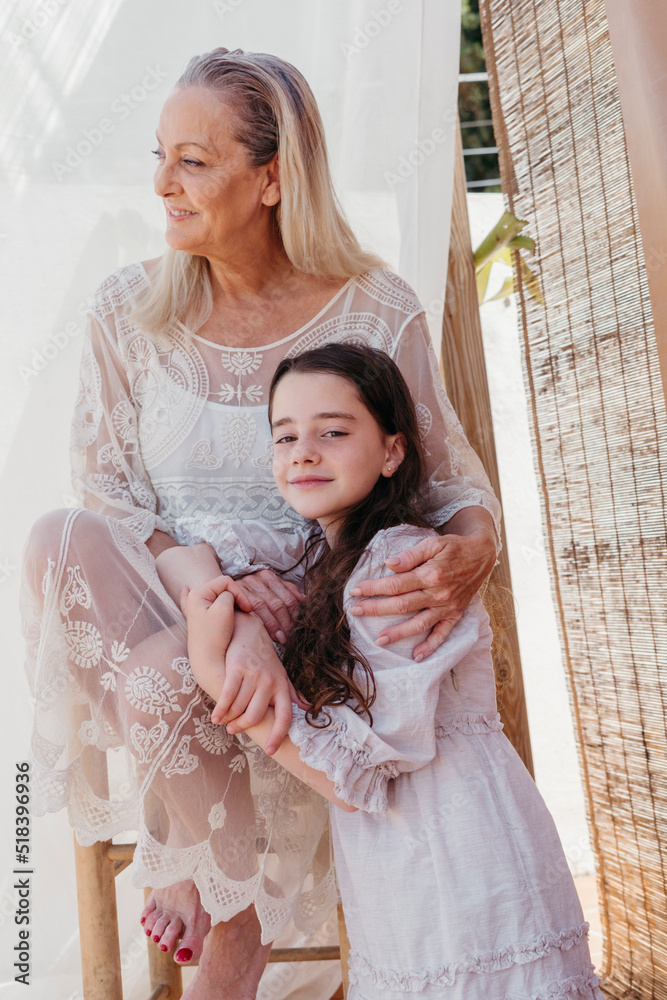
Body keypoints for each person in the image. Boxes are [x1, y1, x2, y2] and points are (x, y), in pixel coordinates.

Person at [21, 48, 501, 1000]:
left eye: (193, 161)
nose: (162, 182)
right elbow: (112, 497)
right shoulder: (128, 311)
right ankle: (231, 903)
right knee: (56, 538)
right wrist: (217, 599)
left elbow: (450, 484)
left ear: (273, 178)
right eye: (160, 154)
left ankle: (218, 904)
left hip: (311, 626)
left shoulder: (375, 308)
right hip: (182, 600)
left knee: (164, 675)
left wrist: (473, 551)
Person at [164, 343, 603, 1000]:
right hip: (402, 867)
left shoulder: (398, 571)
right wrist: (236, 608)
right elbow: (184, 542)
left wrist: (213, 665)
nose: (303, 453)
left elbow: (357, 778)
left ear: (391, 451)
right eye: (285, 437)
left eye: (333, 432)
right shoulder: (320, 553)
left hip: (458, 862)